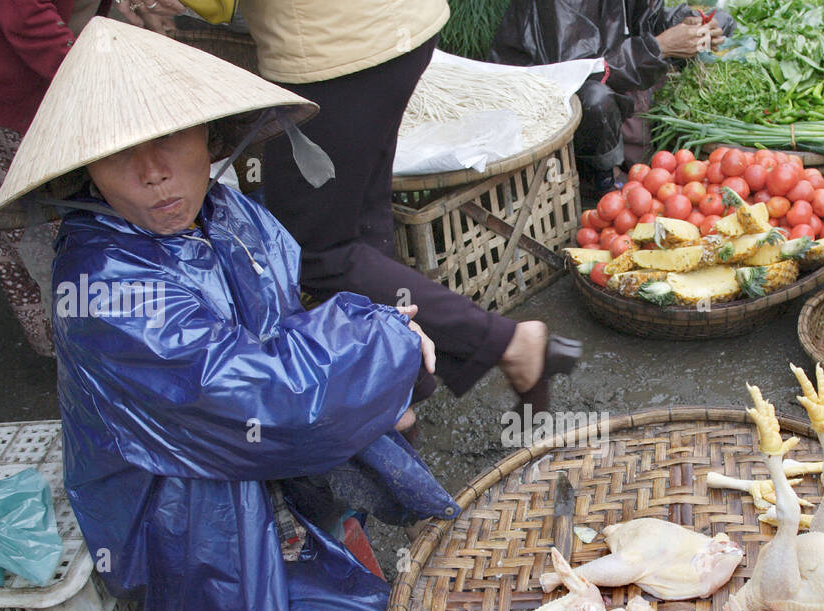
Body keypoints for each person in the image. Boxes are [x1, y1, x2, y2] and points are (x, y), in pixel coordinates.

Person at [0, 18, 456, 611]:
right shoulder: (105, 289)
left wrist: (378, 366)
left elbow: (284, 336)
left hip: (270, 489)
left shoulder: (232, 216)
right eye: (118, 154)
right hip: (193, 536)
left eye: (172, 140)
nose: (153, 172)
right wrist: (387, 348)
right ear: (84, 173)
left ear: (212, 135)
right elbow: (267, 397)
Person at [235, 0, 581, 415]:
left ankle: (508, 343)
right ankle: (402, 391)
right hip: (396, 29)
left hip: (333, 50)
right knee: (361, 225)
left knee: (317, 252)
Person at [0, 0, 184, 357]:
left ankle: (99, 328)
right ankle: (88, 341)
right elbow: (27, 22)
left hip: (12, 37)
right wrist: (102, 89)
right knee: (43, 200)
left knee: (74, 199)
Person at [489, 1, 729, 196]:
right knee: (595, 99)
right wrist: (659, 48)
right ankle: (600, 182)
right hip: (541, 102)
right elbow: (578, 72)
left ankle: (629, 168)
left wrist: (689, 25)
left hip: (602, 72)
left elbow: (647, 19)